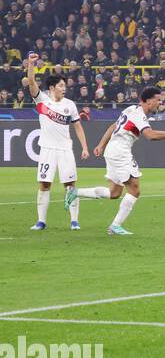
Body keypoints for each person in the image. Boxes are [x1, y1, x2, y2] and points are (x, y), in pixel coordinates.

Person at [91, 87, 165, 235]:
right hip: (120, 151)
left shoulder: (131, 108)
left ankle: (75, 193)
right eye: (157, 99)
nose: (159, 103)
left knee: (114, 193)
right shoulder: (139, 114)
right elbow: (150, 135)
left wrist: (101, 145)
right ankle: (115, 226)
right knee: (134, 189)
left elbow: (114, 126)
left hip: (112, 149)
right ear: (148, 101)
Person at [23, 54, 93, 231]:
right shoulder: (42, 100)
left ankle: (74, 221)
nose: (64, 88)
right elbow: (31, 81)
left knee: (70, 185)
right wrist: (31, 64)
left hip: (65, 150)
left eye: (65, 86)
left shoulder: (70, 105)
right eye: (61, 86)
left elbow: (77, 127)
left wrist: (84, 147)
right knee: (44, 184)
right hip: (46, 149)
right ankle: (41, 221)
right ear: (52, 88)